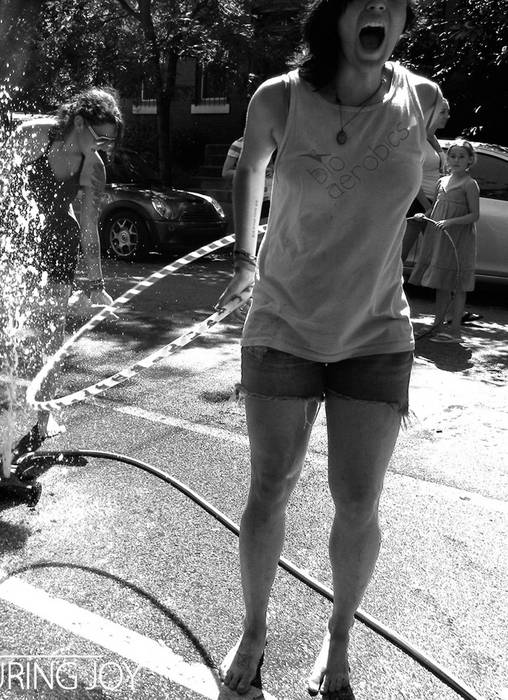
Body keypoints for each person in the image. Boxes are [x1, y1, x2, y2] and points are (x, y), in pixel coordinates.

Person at [215, 1, 445, 697]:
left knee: (358, 500)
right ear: (337, 15)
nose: (377, 7)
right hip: (283, 322)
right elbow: (248, 168)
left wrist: (429, 178)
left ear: (402, 18)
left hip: (376, 332)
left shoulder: (423, 99)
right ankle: (254, 630)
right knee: (269, 486)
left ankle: (338, 636)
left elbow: (422, 181)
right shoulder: (279, 98)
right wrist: (244, 259)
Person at [0, 88, 122, 463]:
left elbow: (89, 226)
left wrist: (96, 286)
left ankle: (45, 413)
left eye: (109, 142)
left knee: (52, 333)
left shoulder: (93, 166)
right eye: (100, 138)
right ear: (79, 123)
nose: (104, 147)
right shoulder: (35, 135)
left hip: (58, 246)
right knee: (15, 321)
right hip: (16, 238)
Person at [408, 140, 480, 343]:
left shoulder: (470, 184)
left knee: (458, 284)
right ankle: (438, 326)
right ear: (447, 159)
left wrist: (450, 222)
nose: (456, 160)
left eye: (462, 157)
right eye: (453, 156)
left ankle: (455, 331)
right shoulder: (442, 181)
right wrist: (423, 215)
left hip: (459, 239)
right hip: (441, 239)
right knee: (441, 283)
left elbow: (474, 215)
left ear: (470, 160)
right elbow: (434, 209)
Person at [401, 98, 450, 260]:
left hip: (432, 202)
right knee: (401, 254)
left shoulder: (433, 138)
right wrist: (428, 207)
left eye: (447, 112)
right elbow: (411, 177)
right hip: (418, 202)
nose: (447, 116)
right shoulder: (418, 139)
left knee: (436, 253)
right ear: (430, 114)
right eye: (442, 112)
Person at [222, 135, 274, 220]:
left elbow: (270, 165)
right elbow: (226, 173)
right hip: (249, 197)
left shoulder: (266, 142)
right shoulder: (239, 144)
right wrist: (253, 172)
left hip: (269, 196)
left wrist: (271, 169)